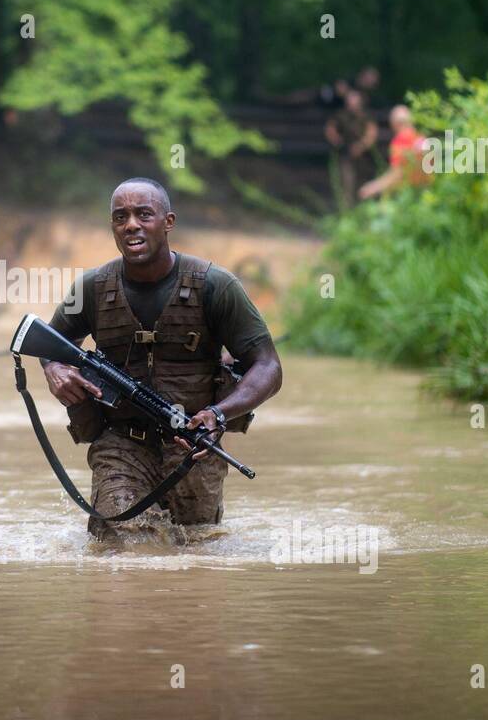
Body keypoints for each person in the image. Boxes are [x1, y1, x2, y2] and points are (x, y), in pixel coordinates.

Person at [40, 178, 283, 540]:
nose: (131, 225)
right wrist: (56, 370)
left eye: (143, 215)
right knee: (119, 549)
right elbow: (50, 343)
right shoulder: (91, 288)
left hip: (194, 449)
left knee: (196, 553)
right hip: (120, 445)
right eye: (120, 217)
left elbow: (268, 366)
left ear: (168, 222)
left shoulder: (215, 286)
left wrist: (218, 415)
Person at [358, 105, 430, 200]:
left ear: (395, 124)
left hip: (409, 195)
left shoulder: (400, 142)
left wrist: (373, 188)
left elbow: (397, 173)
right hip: (427, 194)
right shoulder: (423, 139)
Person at [325, 88, 379, 208]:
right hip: (346, 156)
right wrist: (338, 142)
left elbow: (371, 133)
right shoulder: (341, 115)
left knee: (365, 185)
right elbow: (330, 129)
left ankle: (365, 211)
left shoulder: (366, 116)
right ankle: (348, 212)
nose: (352, 101)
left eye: (355, 98)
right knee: (347, 185)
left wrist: (361, 146)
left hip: (365, 158)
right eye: (350, 98)